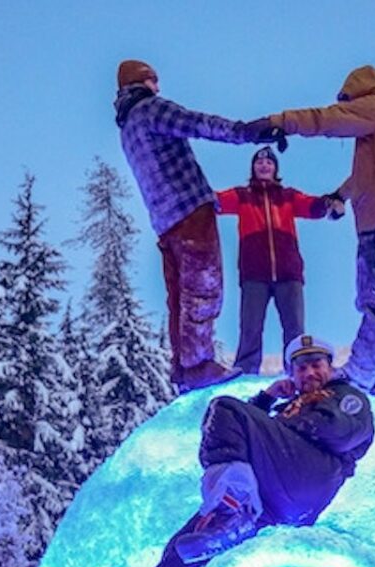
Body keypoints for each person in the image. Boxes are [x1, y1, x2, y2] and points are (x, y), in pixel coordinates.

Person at [56, 334, 375, 567]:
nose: (309, 372)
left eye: (317, 363)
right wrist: (269, 399)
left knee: (225, 409)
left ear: (330, 366)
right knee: (181, 550)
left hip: (306, 481)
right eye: (301, 367)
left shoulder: (347, 399)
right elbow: (257, 429)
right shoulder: (291, 407)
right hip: (270, 500)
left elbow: (335, 430)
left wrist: (269, 418)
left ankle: (231, 508)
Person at [113, 59, 284, 392]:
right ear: (141, 81)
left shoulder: (127, 127)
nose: (157, 87)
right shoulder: (149, 110)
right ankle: (199, 363)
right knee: (203, 287)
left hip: (163, 221)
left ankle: (183, 366)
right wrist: (246, 131)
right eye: (153, 80)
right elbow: (196, 123)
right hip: (189, 209)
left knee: (179, 294)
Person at [267, 65, 375, 397]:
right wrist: (340, 196)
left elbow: (327, 120)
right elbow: (367, 175)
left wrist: (282, 121)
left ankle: (358, 374)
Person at [214, 147, 338, 375]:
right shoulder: (242, 196)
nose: (264, 166)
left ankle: (296, 370)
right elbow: (216, 202)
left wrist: (331, 202)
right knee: (251, 326)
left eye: (269, 163)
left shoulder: (287, 197)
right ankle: (245, 370)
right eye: (259, 163)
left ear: (275, 169)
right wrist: (194, 196)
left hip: (288, 272)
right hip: (254, 273)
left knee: (294, 328)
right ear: (253, 167)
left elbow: (312, 206)